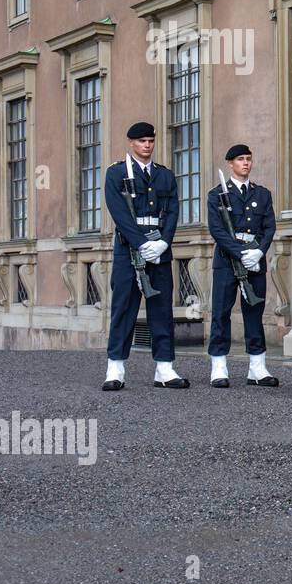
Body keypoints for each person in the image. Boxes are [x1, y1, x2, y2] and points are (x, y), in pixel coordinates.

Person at [101, 122, 189, 391]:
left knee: (161, 309)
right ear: (131, 143)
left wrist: (163, 242)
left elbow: (172, 211)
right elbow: (119, 214)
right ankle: (115, 367)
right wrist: (141, 243)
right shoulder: (116, 174)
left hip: (159, 248)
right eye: (142, 141)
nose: (147, 145)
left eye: (150, 140)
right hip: (129, 248)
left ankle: (165, 367)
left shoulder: (164, 176)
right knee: (124, 308)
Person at [205, 144, 278, 388]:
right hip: (227, 261)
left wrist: (258, 251)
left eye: (248, 159)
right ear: (230, 164)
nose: (245, 163)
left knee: (254, 312)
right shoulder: (217, 195)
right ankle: (219, 366)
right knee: (221, 313)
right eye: (240, 160)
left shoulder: (262, 194)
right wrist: (239, 253)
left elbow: (269, 227)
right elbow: (217, 230)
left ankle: (257, 368)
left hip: (254, 260)